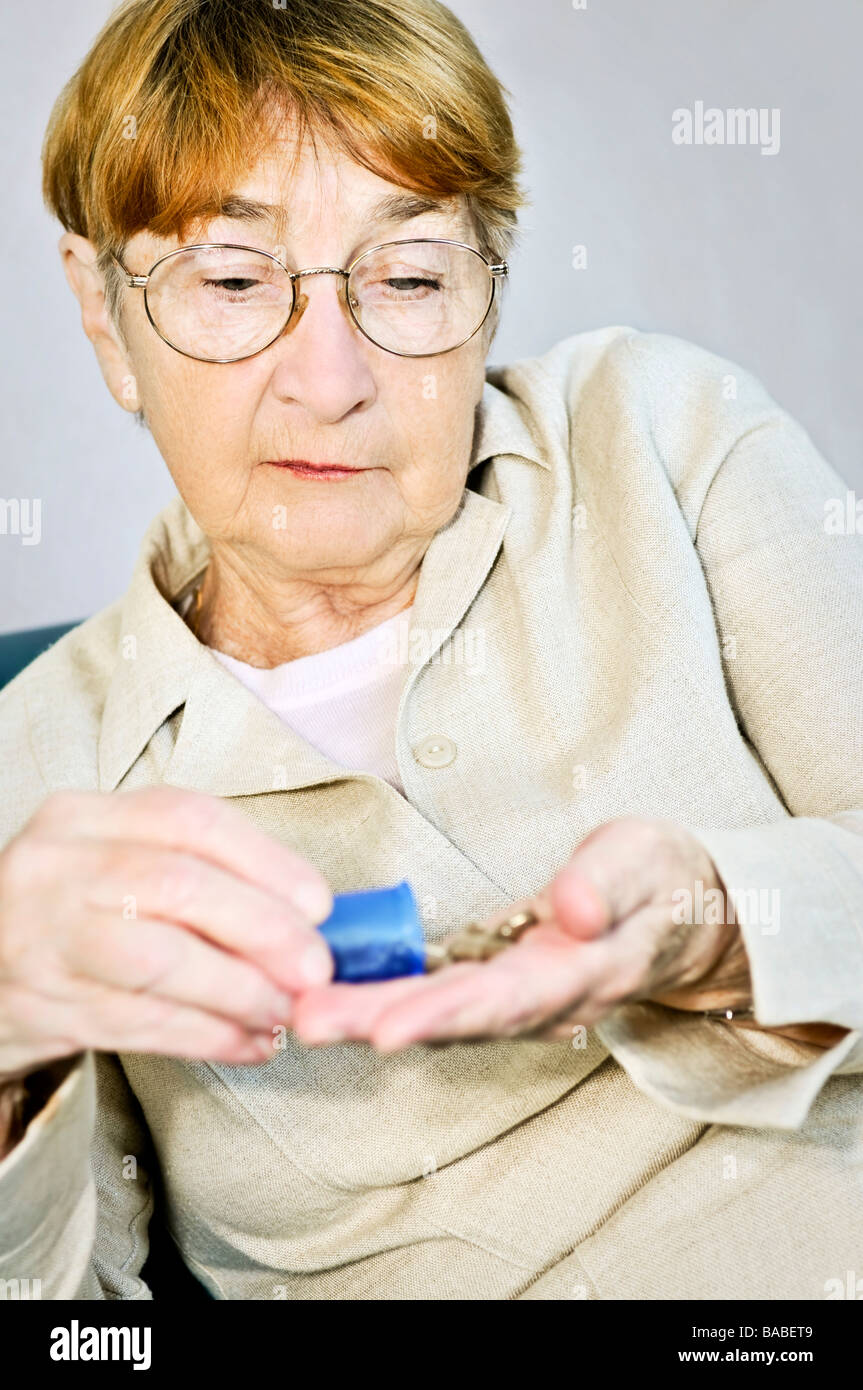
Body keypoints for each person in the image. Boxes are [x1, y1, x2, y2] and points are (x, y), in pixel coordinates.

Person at [0, 0, 861, 1301]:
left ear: (489, 285)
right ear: (105, 315)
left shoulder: (661, 434)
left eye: (408, 276)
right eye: (232, 280)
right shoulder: (35, 778)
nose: (331, 379)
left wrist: (715, 924)